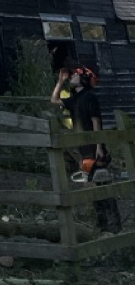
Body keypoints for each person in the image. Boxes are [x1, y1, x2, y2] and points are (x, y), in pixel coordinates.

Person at [51, 65, 121, 232]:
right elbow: (54, 100)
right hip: (83, 149)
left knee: (101, 186)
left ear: (83, 79)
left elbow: (96, 121)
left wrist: (99, 146)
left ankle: (113, 225)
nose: (72, 77)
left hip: (93, 148)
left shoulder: (90, 97)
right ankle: (101, 224)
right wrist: (60, 82)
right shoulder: (74, 99)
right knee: (90, 187)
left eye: (75, 75)